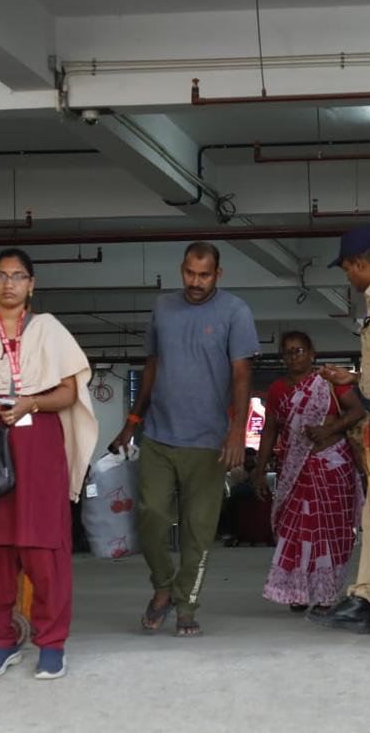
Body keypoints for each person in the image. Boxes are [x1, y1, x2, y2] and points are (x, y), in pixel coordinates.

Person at [0, 247, 98, 680]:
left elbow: (68, 393)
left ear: (32, 285)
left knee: (42, 544)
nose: (8, 283)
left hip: (37, 443)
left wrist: (33, 400)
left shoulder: (50, 331)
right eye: (0, 275)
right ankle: (1, 640)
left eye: (17, 276)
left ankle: (51, 643)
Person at [109, 241, 261, 637]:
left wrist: (236, 432)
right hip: (159, 435)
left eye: (204, 275)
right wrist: (131, 421)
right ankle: (163, 587)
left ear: (218, 275)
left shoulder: (235, 312)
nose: (196, 282)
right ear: (181, 269)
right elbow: (152, 366)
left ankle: (186, 604)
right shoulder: (164, 308)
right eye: (190, 274)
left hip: (209, 442)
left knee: (199, 530)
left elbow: (242, 374)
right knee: (151, 517)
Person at [308, 225, 370, 634]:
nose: (348, 277)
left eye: (347, 269)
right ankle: (364, 598)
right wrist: (354, 379)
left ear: (358, 263)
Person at [253, 331, 364, 610]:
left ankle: (326, 594)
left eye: (299, 350)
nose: (294, 357)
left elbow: (356, 411)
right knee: (297, 533)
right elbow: (270, 430)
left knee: (329, 532)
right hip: (294, 469)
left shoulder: (328, 381)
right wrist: (259, 469)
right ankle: (298, 592)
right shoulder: (278, 389)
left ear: (312, 353)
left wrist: (328, 429)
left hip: (332, 466)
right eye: (288, 352)